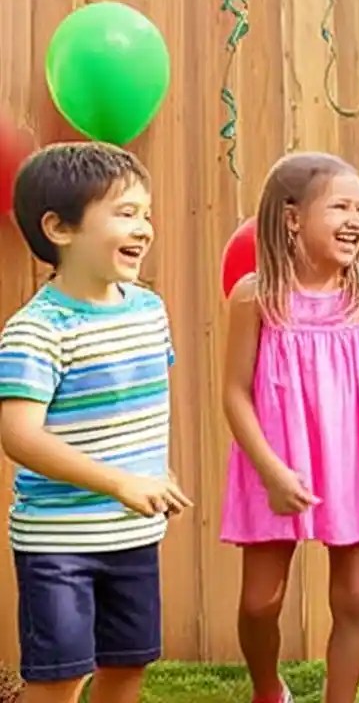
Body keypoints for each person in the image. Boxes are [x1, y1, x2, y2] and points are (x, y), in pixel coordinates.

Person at [220, 152, 359, 703]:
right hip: (275, 461)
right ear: (292, 217)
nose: (355, 220)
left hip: (353, 460)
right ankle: (267, 690)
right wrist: (270, 471)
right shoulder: (254, 298)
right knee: (259, 603)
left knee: (354, 599)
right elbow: (235, 394)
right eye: (340, 207)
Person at [0, 142, 192, 703]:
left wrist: (154, 472)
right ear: (59, 228)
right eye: (126, 213)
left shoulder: (149, 310)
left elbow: (132, 407)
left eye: (146, 214)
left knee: (127, 665)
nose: (144, 229)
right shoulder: (36, 331)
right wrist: (119, 481)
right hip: (58, 541)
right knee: (59, 677)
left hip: (132, 535)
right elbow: (19, 436)